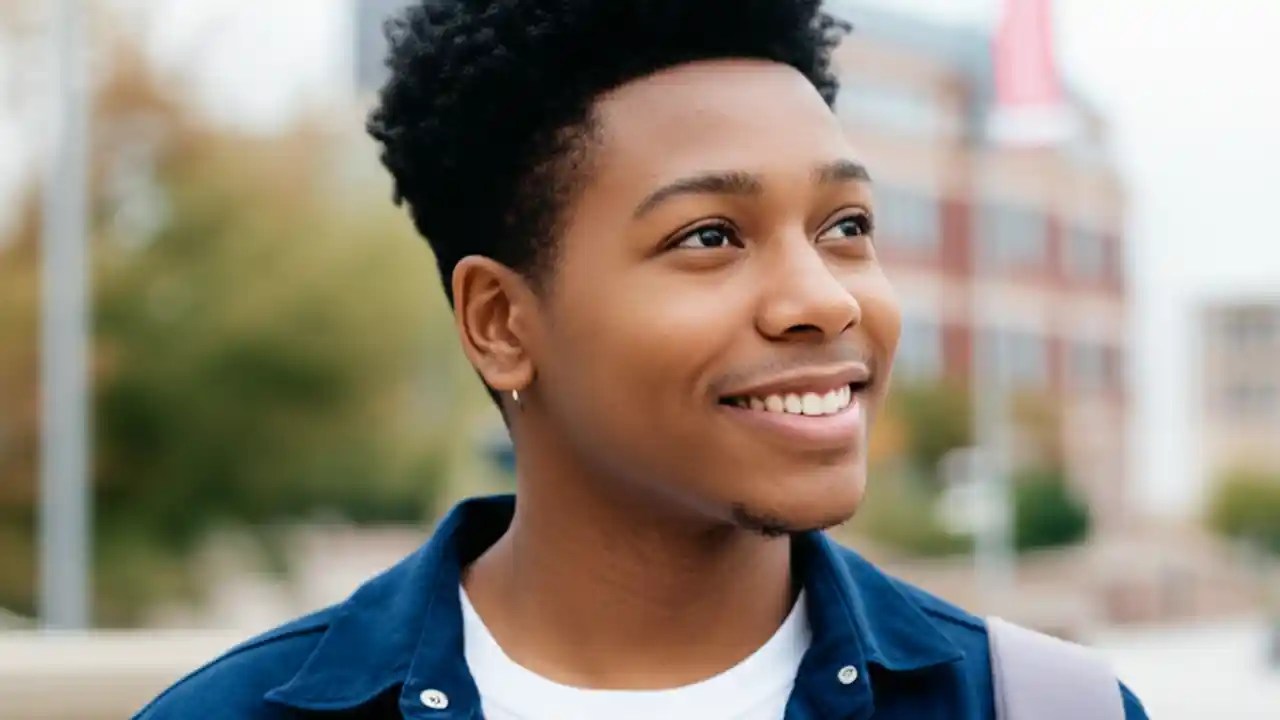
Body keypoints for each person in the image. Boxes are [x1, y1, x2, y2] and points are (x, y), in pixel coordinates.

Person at [135, 1, 1148, 718]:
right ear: (498, 321)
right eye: (709, 236)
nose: (824, 297)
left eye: (844, 224)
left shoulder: (1040, 709)